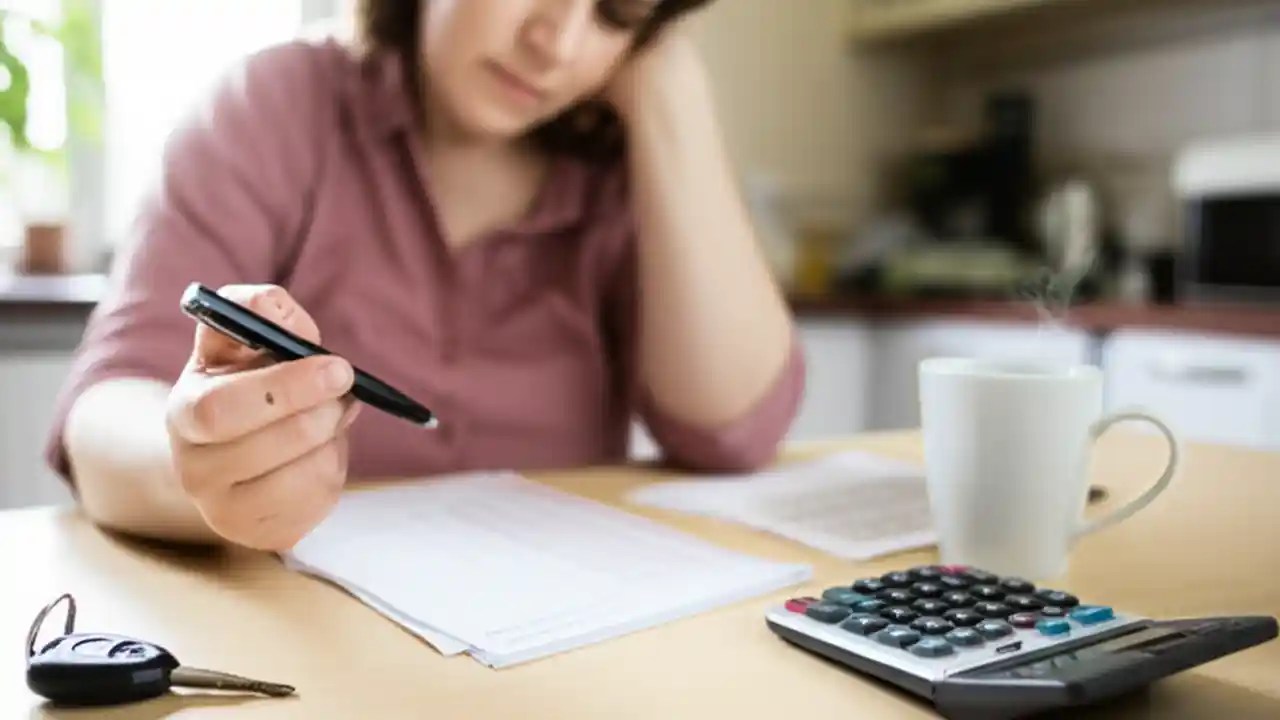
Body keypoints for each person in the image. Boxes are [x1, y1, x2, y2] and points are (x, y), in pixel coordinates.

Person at [45, 0, 805, 552]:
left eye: (617, 12)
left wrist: (673, 94)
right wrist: (199, 468)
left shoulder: (618, 184)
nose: (555, 42)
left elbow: (730, 432)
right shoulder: (273, 107)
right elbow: (105, 414)